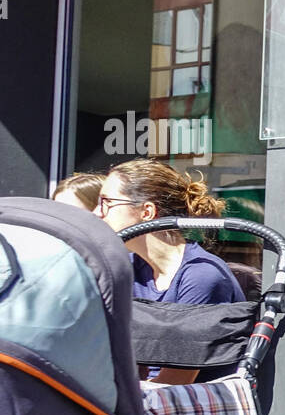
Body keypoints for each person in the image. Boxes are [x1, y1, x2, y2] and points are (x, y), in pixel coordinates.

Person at [96, 159, 244, 384]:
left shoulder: (201, 275)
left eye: (106, 202)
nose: (97, 212)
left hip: (185, 406)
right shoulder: (128, 267)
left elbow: (179, 376)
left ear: (147, 211)